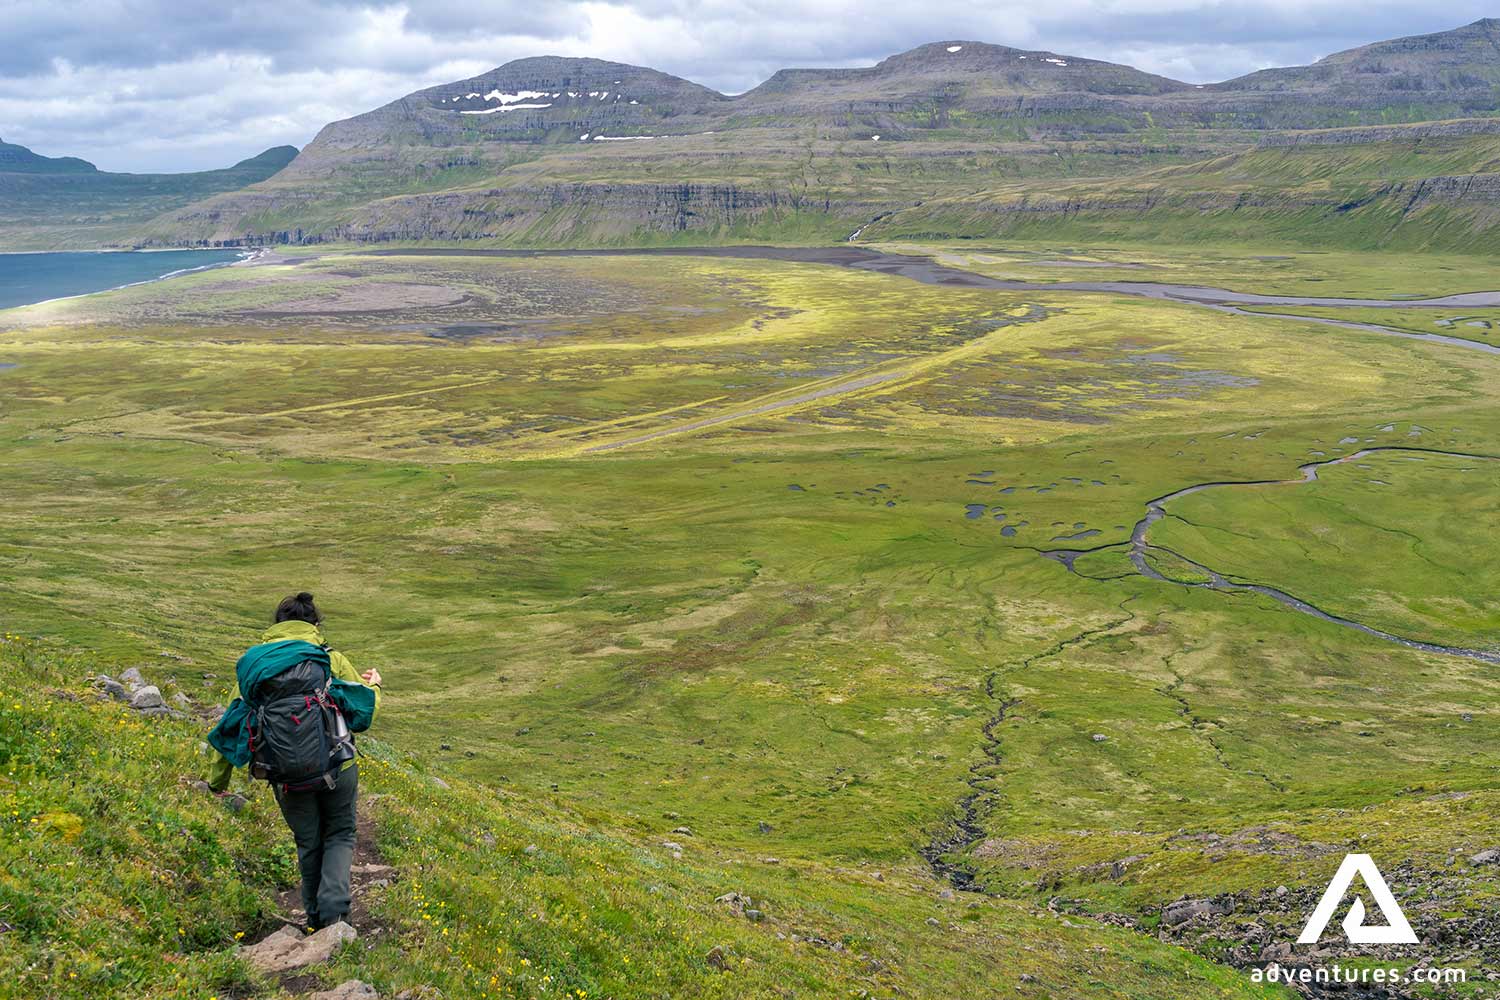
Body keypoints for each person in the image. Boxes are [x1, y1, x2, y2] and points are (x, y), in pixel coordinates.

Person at [206, 592, 382, 930]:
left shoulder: (254, 668)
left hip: (284, 773)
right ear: (314, 625)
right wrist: (375, 687)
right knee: (341, 833)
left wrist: (217, 783)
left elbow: (229, 726)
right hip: (338, 766)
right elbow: (363, 712)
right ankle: (335, 913)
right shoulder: (330, 658)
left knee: (308, 842)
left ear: (276, 627)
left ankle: (314, 918)